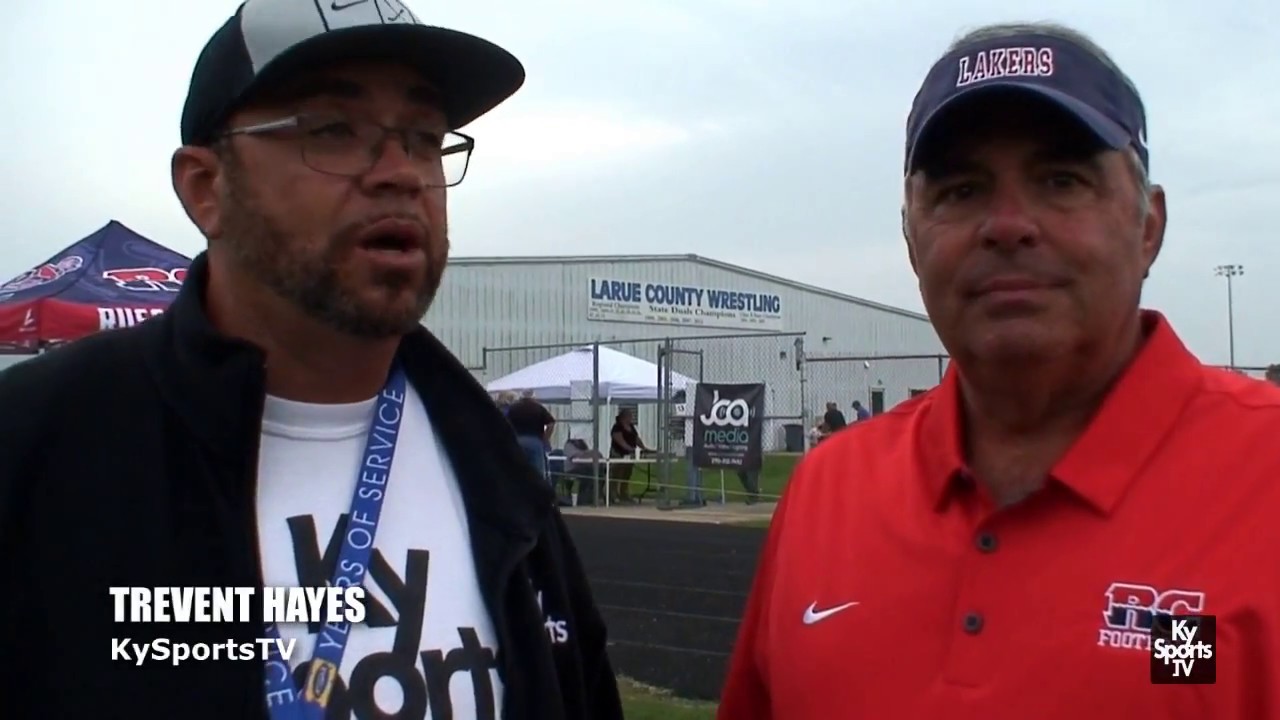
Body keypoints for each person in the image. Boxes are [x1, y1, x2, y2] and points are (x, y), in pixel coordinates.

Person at [0, 2, 623, 719]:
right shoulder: (40, 448)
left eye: (424, 139)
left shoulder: (494, 467)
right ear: (208, 189)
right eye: (332, 130)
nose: (401, 173)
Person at [718, 21, 1280, 720]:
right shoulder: (827, 491)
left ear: (1148, 227)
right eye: (960, 190)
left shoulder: (1264, 479)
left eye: (1061, 180)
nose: (1008, 224)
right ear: (911, 239)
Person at [506, 390, 556, 483]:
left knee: (517, 469)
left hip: (518, 440)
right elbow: (551, 423)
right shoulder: (538, 408)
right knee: (538, 472)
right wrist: (545, 438)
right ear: (533, 397)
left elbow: (506, 423)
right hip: (534, 441)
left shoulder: (513, 408)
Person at [607, 408, 650, 503]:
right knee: (616, 473)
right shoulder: (617, 427)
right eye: (629, 415)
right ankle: (612, 494)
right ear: (624, 416)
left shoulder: (631, 426)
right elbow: (620, 440)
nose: (631, 417)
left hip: (629, 455)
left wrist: (643, 448)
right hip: (618, 454)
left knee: (627, 473)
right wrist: (631, 449)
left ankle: (624, 493)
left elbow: (636, 439)